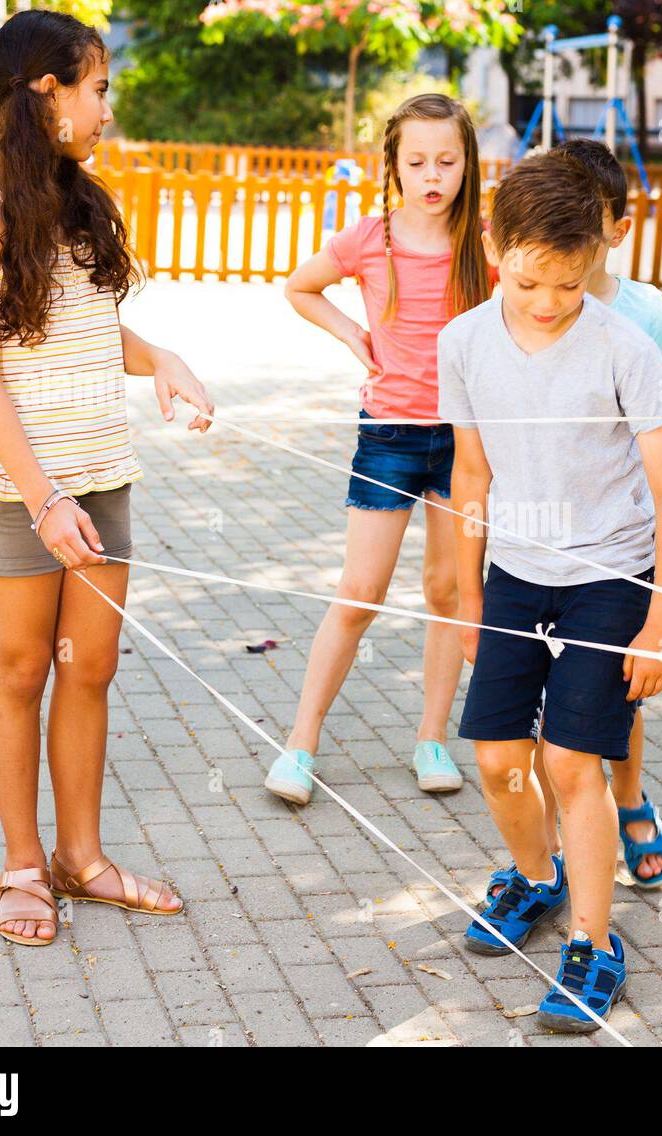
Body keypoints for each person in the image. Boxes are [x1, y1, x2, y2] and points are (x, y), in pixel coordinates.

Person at [0, 9, 214, 946]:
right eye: (98, 88)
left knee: (88, 668)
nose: (107, 107)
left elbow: (88, 333)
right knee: (23, 672)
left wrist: (163, 357)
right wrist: (42, 496)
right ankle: (22, 867)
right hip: (21, 488)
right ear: (47, 92)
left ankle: (80, 861)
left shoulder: (84, 198)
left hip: (101, 471)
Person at [438, 151, 662, 1032]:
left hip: (612, 575)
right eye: (528, 280)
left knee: (569, 760)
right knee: (500, 762)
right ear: (493, 245)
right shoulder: (463, 341)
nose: (548, 301)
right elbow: (470, 475)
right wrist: (467, 600)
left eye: (568, 282)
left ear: (598, 255)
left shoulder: (624, 345)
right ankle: (537, 879)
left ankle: (594, 942)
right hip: (514, 571)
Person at [266, 94, 496, 806]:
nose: (433, 174)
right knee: (360, 592)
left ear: (468, 164)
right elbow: (300, 288)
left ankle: (433, 738)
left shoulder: (486, 242)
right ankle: (300, 744)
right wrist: (352, 334)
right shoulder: (370, 237)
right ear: (392, 164)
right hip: (389, 435)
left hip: (464, 443)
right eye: (417, 160)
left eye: (448, 161)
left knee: (448, 592)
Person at [528, 136, 662, 887]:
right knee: (541, 698)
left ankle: (629, 797)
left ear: (615, 229)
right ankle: (561, 840)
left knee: (609, 688)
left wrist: (639, 453)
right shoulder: (524, 302)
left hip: (617, 541)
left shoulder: (639, 312)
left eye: (585, 218)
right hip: (535, 541)